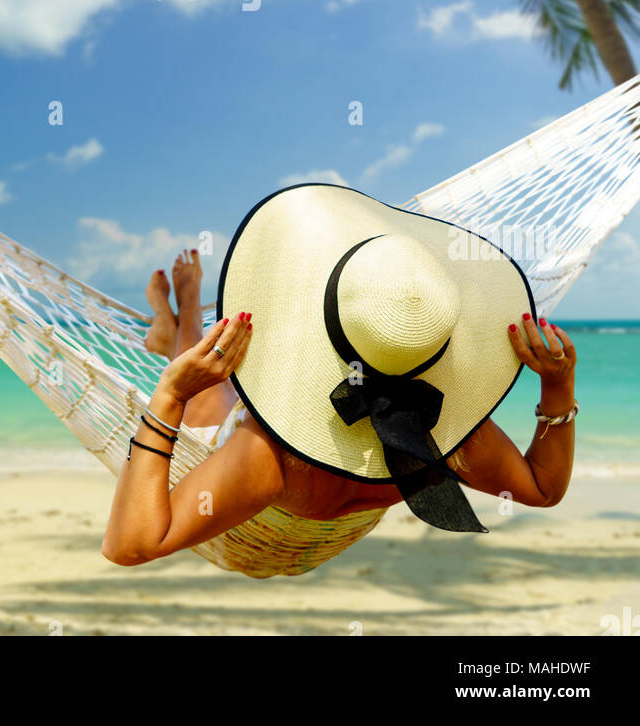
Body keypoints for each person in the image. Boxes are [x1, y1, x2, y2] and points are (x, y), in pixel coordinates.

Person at [102, 186, 577, 570]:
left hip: (248, 531)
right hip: (314, 531)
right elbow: (542, 488)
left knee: (210, 394)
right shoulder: (453, 436)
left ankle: (182, 319)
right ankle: (174, 326)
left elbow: (130, 546)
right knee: (218, 384)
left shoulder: (267, 455)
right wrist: (558, 387)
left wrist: (168, 396)